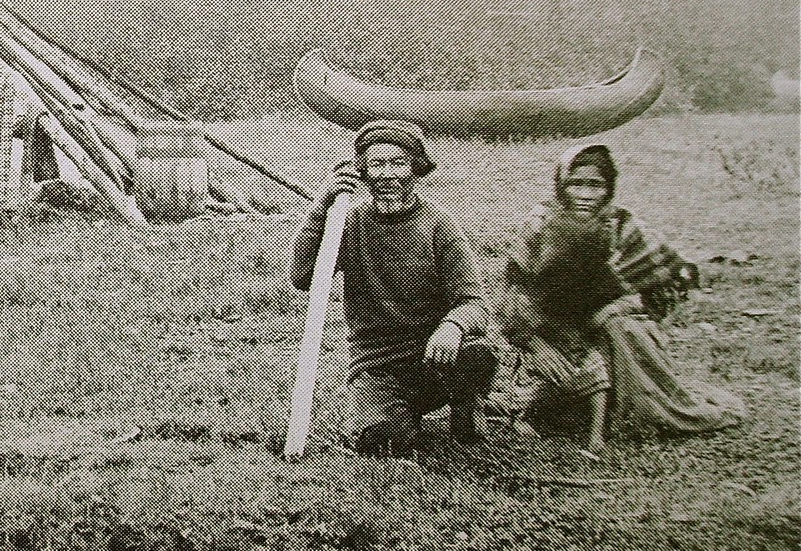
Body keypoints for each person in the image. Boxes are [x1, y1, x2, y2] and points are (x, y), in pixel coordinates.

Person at [500, 144, 744, 443]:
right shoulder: (541, 223)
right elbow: (513, 293)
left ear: (609, 188)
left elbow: (673, 280)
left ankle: (638, 407)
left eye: (596, 185)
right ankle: (566, 404)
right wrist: (535, 344)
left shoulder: (623, 225)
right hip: (556, 332)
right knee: (562, 391)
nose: (586, 195)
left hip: (617, 330)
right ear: (561, 185)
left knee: (623, 327)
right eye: (576, 184)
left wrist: (623, 307)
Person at [292, 121, 498, 456]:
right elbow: (303, 277)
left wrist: (452, 325)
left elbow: (474, 303)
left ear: (416, 169)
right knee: (384, 443)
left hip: (434, 356)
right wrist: (322, 208)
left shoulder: (438, 224)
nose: (388, 174)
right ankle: (398, 416)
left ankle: (466, 409)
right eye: (377, 164)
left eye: (398, 163)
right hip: (377, 365)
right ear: (364, 172)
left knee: (476, 353)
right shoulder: (350, 222)